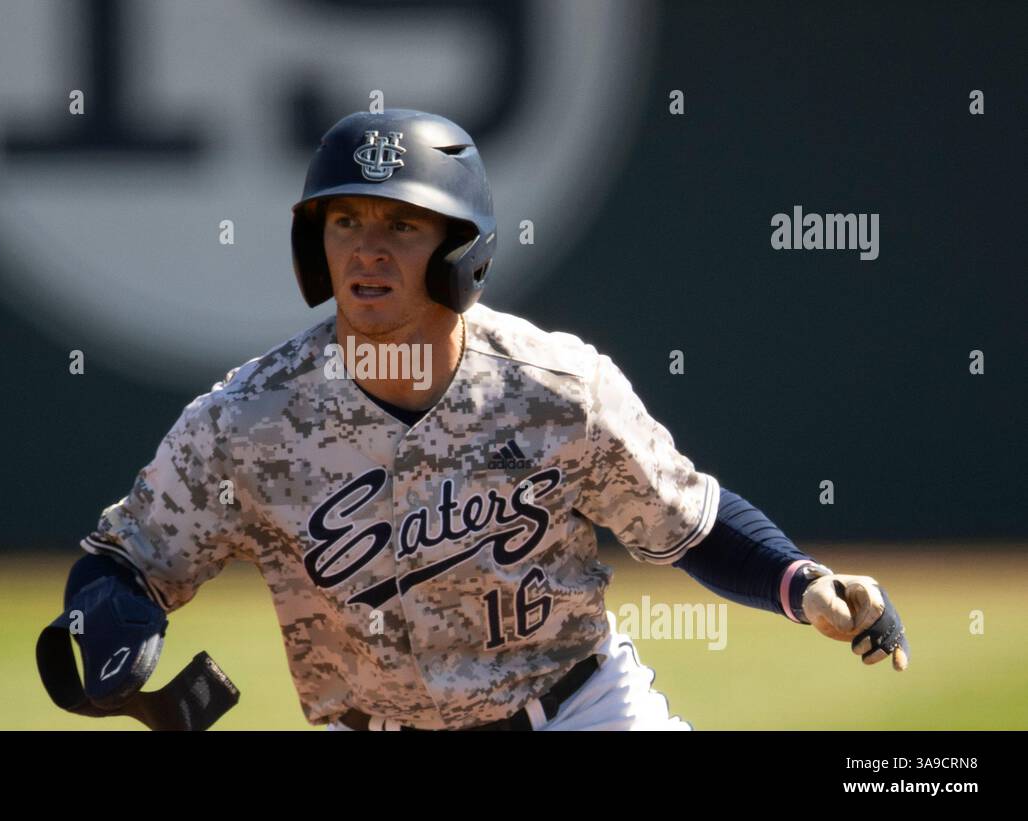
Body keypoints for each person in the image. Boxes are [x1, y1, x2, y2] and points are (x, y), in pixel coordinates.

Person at [51, 109, 909, 731]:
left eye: (402, 223)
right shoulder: (247, 421)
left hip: (579, 711)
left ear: (462, 249)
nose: (367, 249)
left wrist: (805, 585)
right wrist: (112, 619)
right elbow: (128, 560)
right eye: (345, 221)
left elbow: (687, 522)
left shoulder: (556, 387)